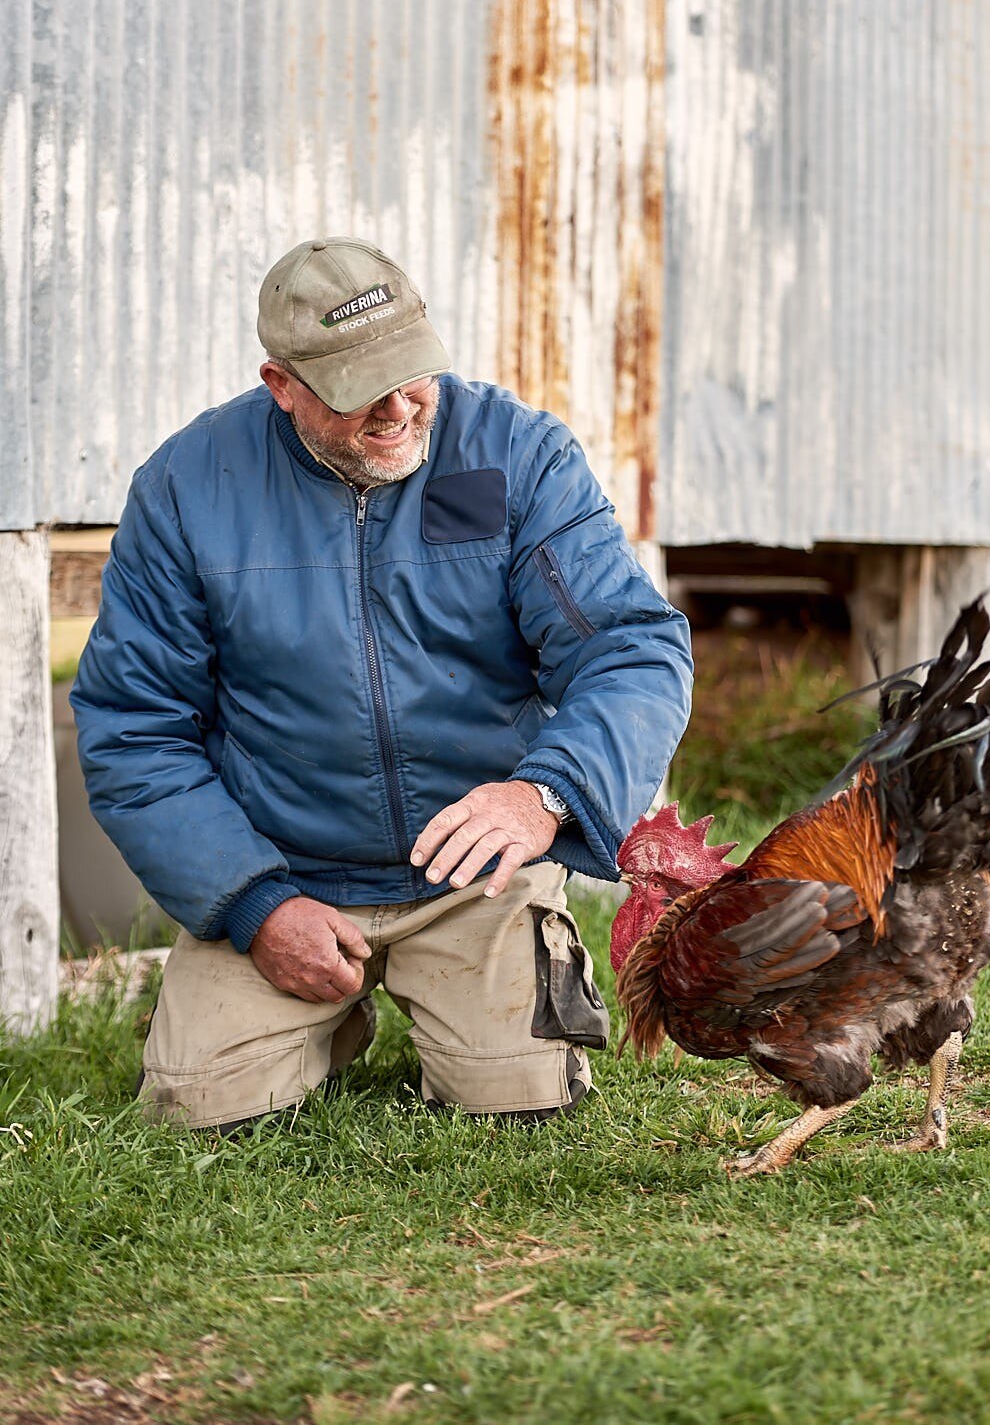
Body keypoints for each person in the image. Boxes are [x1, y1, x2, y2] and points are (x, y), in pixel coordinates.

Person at [72, 237, 694, 1130]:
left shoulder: (516, 453)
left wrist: (546, 796)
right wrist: (253, 906)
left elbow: (632, 649)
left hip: (478, 871)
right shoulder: (184, 488)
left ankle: (473, 984)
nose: (401, 408)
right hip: (287, 869)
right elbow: (135, 726)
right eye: (362, 385)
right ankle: (322, 1003)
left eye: (415, 371)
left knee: (520, 1104)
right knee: (196, 1112)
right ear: (281, 384)